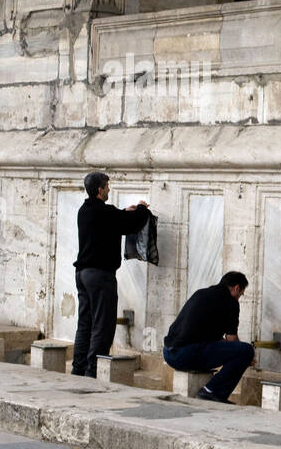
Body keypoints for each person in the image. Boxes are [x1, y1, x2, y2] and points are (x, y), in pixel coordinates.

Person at [72, 172, 150, 377]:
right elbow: (130, 223)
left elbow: (112, 221)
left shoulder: (84, 210)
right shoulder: (105, 212)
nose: (109, 189)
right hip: (100, 276)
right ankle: (94, 371)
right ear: (99, 189)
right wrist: (141, 208)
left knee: (85, 324)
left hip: (82, 275)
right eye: (106, 186)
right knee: (102, 326)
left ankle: (78, 369)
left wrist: (124, 212)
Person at [163, 271, 256, 404]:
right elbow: (231, 339)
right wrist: (248, 357)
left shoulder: (201, 293)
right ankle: (212, 391)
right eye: (241, 294)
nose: (239, 297)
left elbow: (210, 337)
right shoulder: (231, 302)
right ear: (236, 288)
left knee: (239, 351)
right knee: (246, 350)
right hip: (185, 354)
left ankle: (212, 391)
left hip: (169, 353)